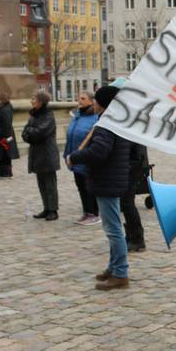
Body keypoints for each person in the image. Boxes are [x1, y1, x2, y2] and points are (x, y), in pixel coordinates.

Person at [68, 86, 133, 291]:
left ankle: (121, 273)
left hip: (107, 181)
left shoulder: (106, 125)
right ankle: (113, 268)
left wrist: (75, 157)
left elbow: (98, 152)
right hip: (111, 180)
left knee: (113, 230)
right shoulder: (112, 121)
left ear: (103, 103)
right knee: (114, 228)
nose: (93, 103)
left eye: (96, 100)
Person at [22, 91, 60, 221]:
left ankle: (53, 210)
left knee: (50, 183)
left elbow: (41, 132)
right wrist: (29, 133)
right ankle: (46, 208)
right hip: (37, 153)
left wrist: (30, 132)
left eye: (34, 98)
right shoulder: (33, 115)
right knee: (41, 183)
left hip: (47, 153)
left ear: (41, 102)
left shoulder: (48, 114)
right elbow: (25, 132)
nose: (31, 101)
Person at [65, 91, 101, 225]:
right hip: (75, 158)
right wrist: (67, 156)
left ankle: (94, 213)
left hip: (87, 159)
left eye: (83, 98)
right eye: (78, 98)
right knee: (80, 186)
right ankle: (86, 212)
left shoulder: (95, 118)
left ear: (91, 102)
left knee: (89, 187)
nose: (79, 100)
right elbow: (71, 137)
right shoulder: (76, 116)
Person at [122, 141, 149, 252]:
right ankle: (131, 236)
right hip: (130, 166)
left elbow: (137, 154)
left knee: (127, 204)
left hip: (132, 168)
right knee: (125, 204)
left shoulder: (132, 129)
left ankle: (137, 239)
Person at [0, 91, 19, 178]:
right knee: (2, 154)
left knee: (5, 155)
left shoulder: (5, 109)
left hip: (5, 136)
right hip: (3, 135)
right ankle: (2, 172)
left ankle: (7, 173)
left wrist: (5, 137)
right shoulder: (2, 108)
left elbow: (6, 124)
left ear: (1, 99)